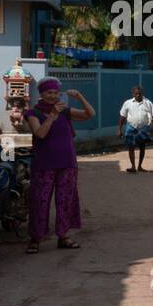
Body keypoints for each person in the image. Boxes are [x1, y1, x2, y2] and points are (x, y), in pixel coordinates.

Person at [23, 78, 93, 254]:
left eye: (55, 93)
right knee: (40, 201)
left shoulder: (65, 112)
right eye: (49, 93)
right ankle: (35, 239)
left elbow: (89, 114)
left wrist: (80, 96)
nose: (52, 96)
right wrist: (52, 116)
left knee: (65, 201)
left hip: (67, 163)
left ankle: (63, 236)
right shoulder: (33, 113)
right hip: (44, 164)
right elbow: (40, 134)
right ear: (41, 94)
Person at [118, 85, 153, 172]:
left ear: (142, 93)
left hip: (143, 128)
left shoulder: (148, 103)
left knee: (142, 147)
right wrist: (119, 129)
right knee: (131, 146)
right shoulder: (127, 103)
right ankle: (133, 166)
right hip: (131, 127)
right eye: (136, 94)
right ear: (133, 94)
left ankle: (140, 166)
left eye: (140, 94)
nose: (138, 95)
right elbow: (122, 116)